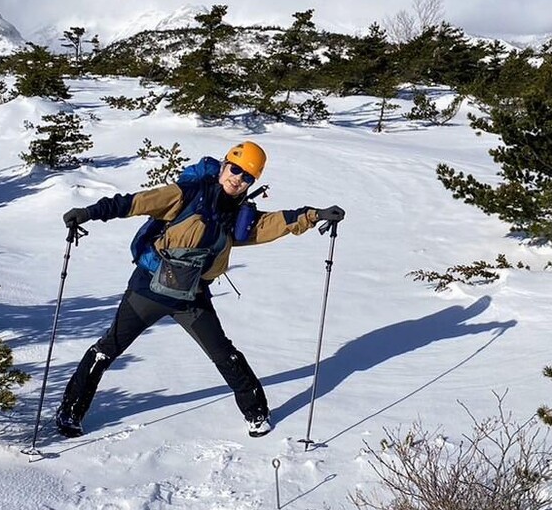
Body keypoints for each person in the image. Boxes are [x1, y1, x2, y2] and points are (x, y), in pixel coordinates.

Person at [55, 140, 344, 438]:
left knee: (224, 354)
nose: (238, 179)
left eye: (247, 177)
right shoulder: (187, 194)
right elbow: (134, 202)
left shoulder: (237, 216)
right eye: (235, 170)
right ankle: (71, 411)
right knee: (107, 350)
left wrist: (314, 214)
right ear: (224, 165)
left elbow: (274, 223)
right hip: (148, 290)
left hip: (191, 298)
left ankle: (257, 413)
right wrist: (88, 213)